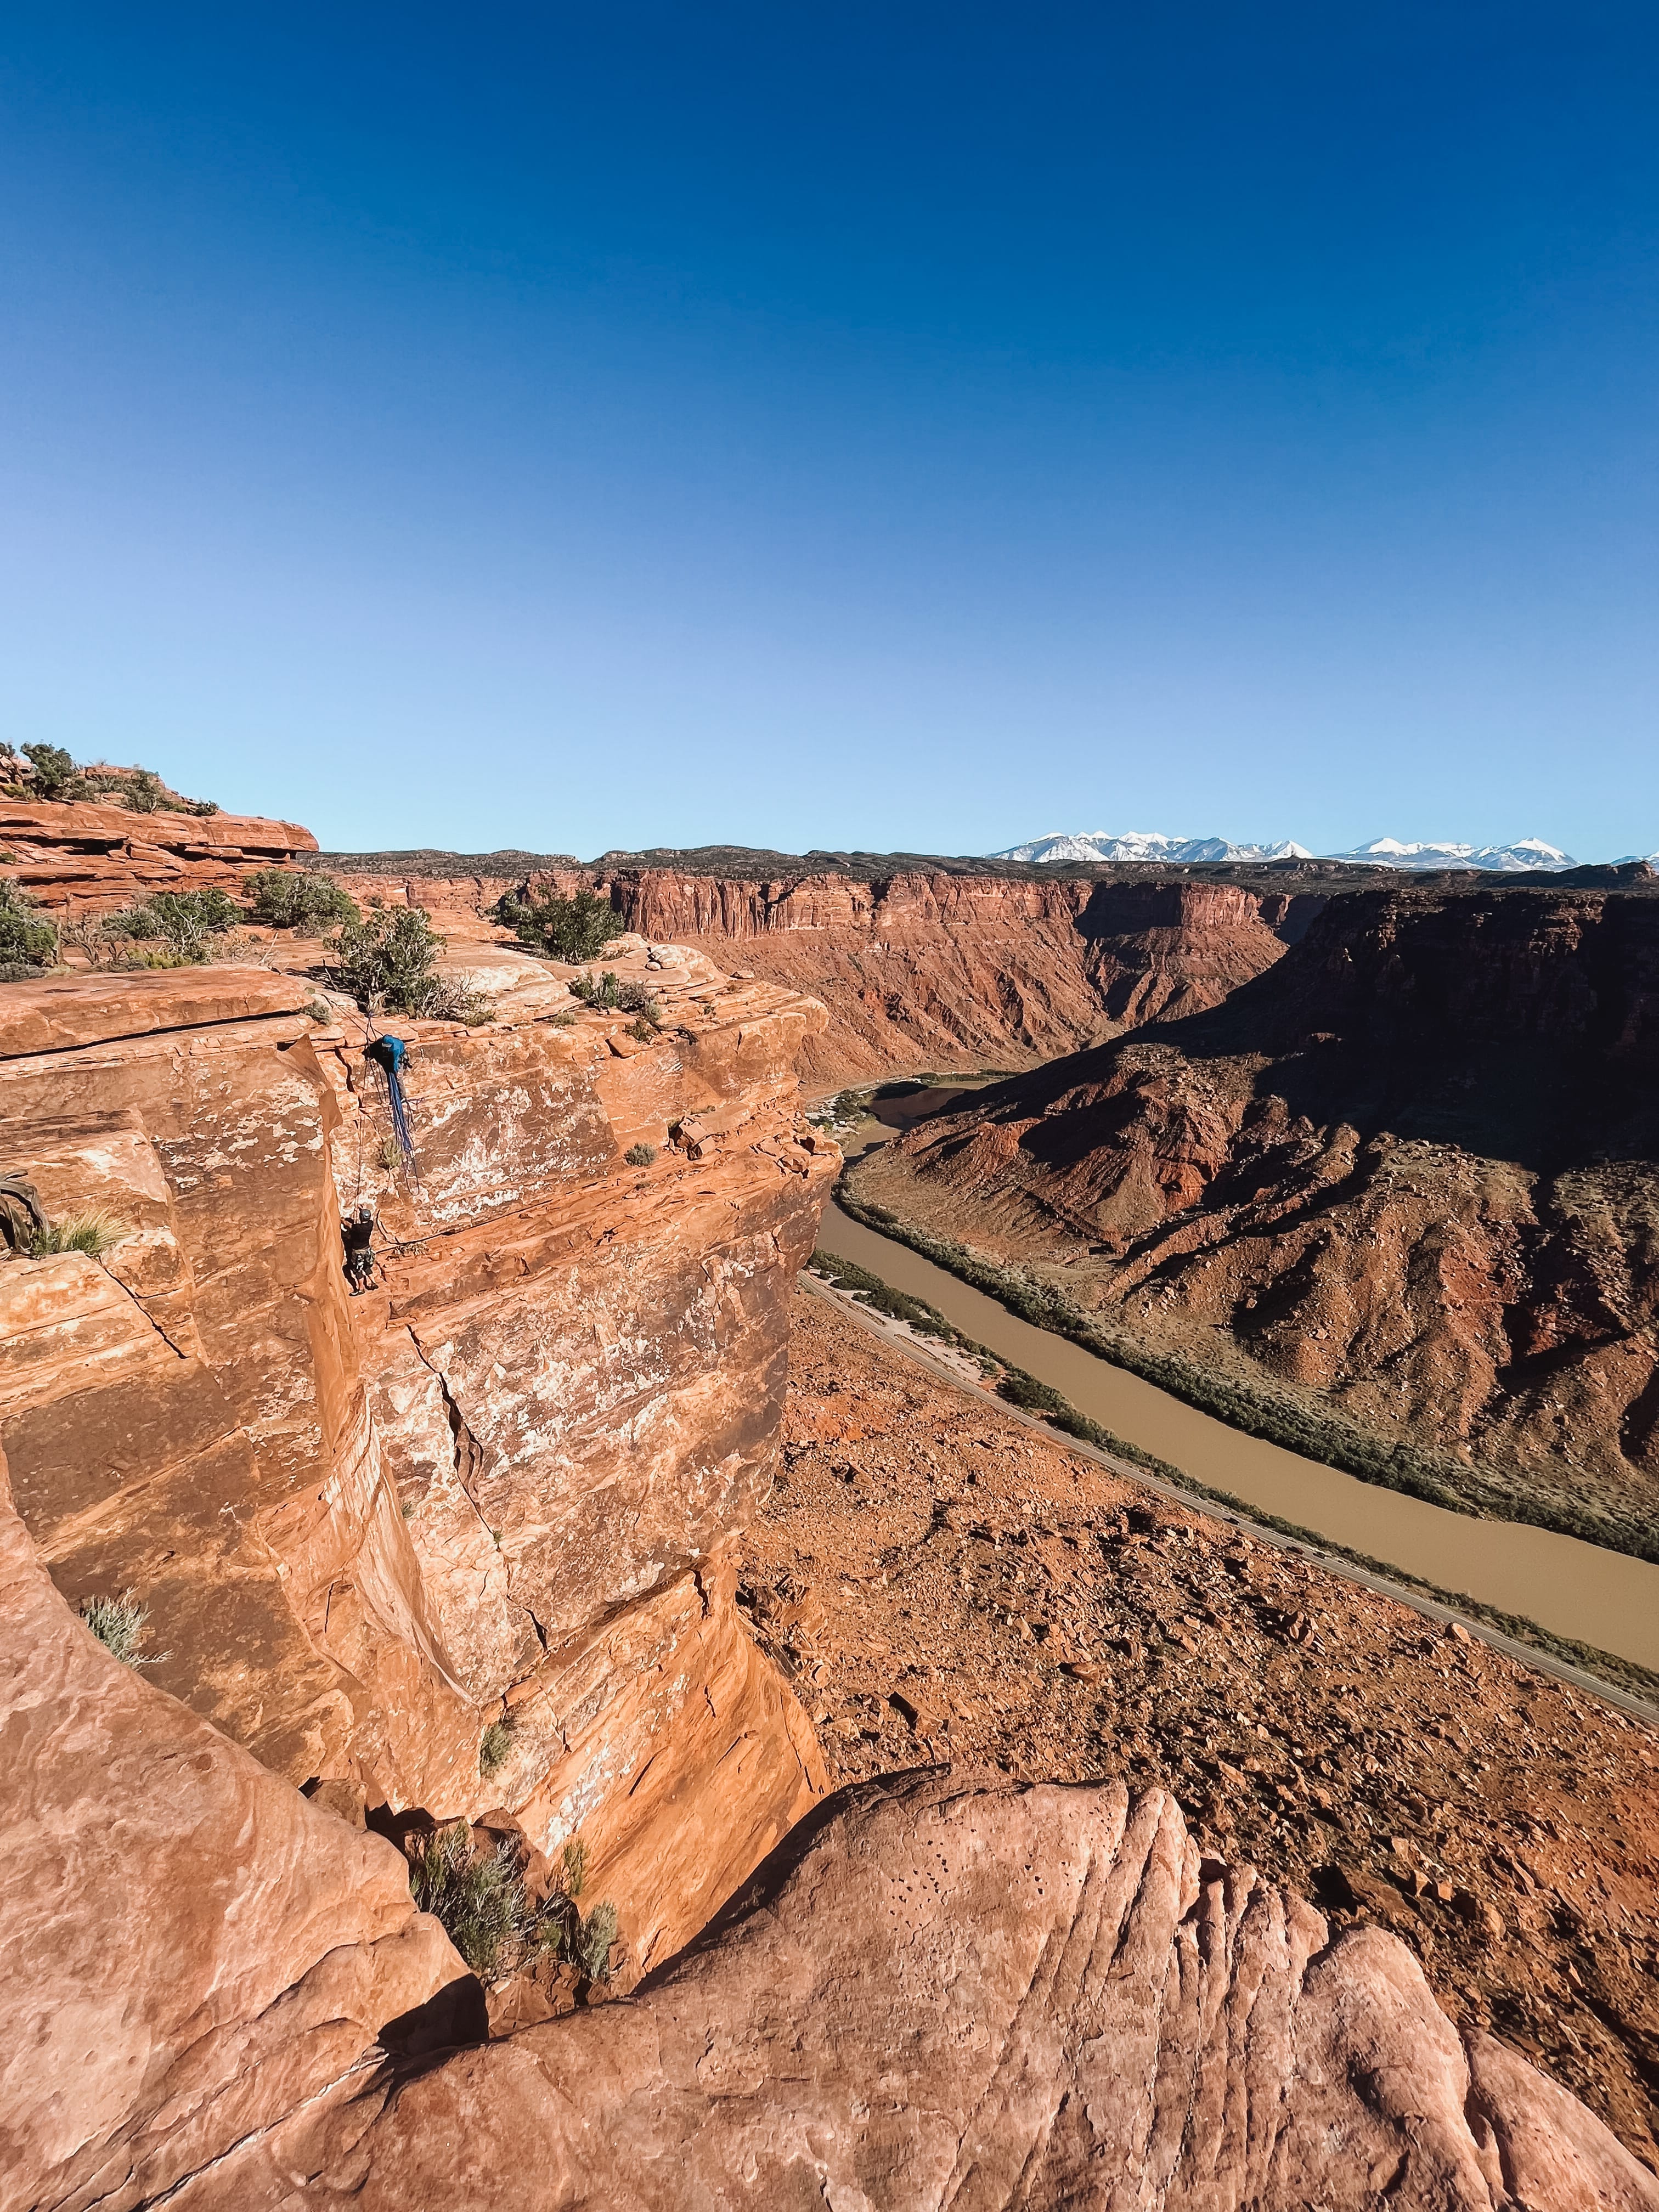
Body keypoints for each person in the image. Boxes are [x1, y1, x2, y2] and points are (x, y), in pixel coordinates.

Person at [342, 1203, 380, 1294]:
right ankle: (373, 1283)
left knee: (357, 1270)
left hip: (358, 1252)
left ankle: (361, 1289)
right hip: (367, 1250)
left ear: (361, 1217)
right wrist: (362, 1210)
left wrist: (341, 1220)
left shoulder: (358, 1228)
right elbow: (365, 1219)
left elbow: (347, 1224)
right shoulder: (370, 1224)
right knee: (366, 1266)